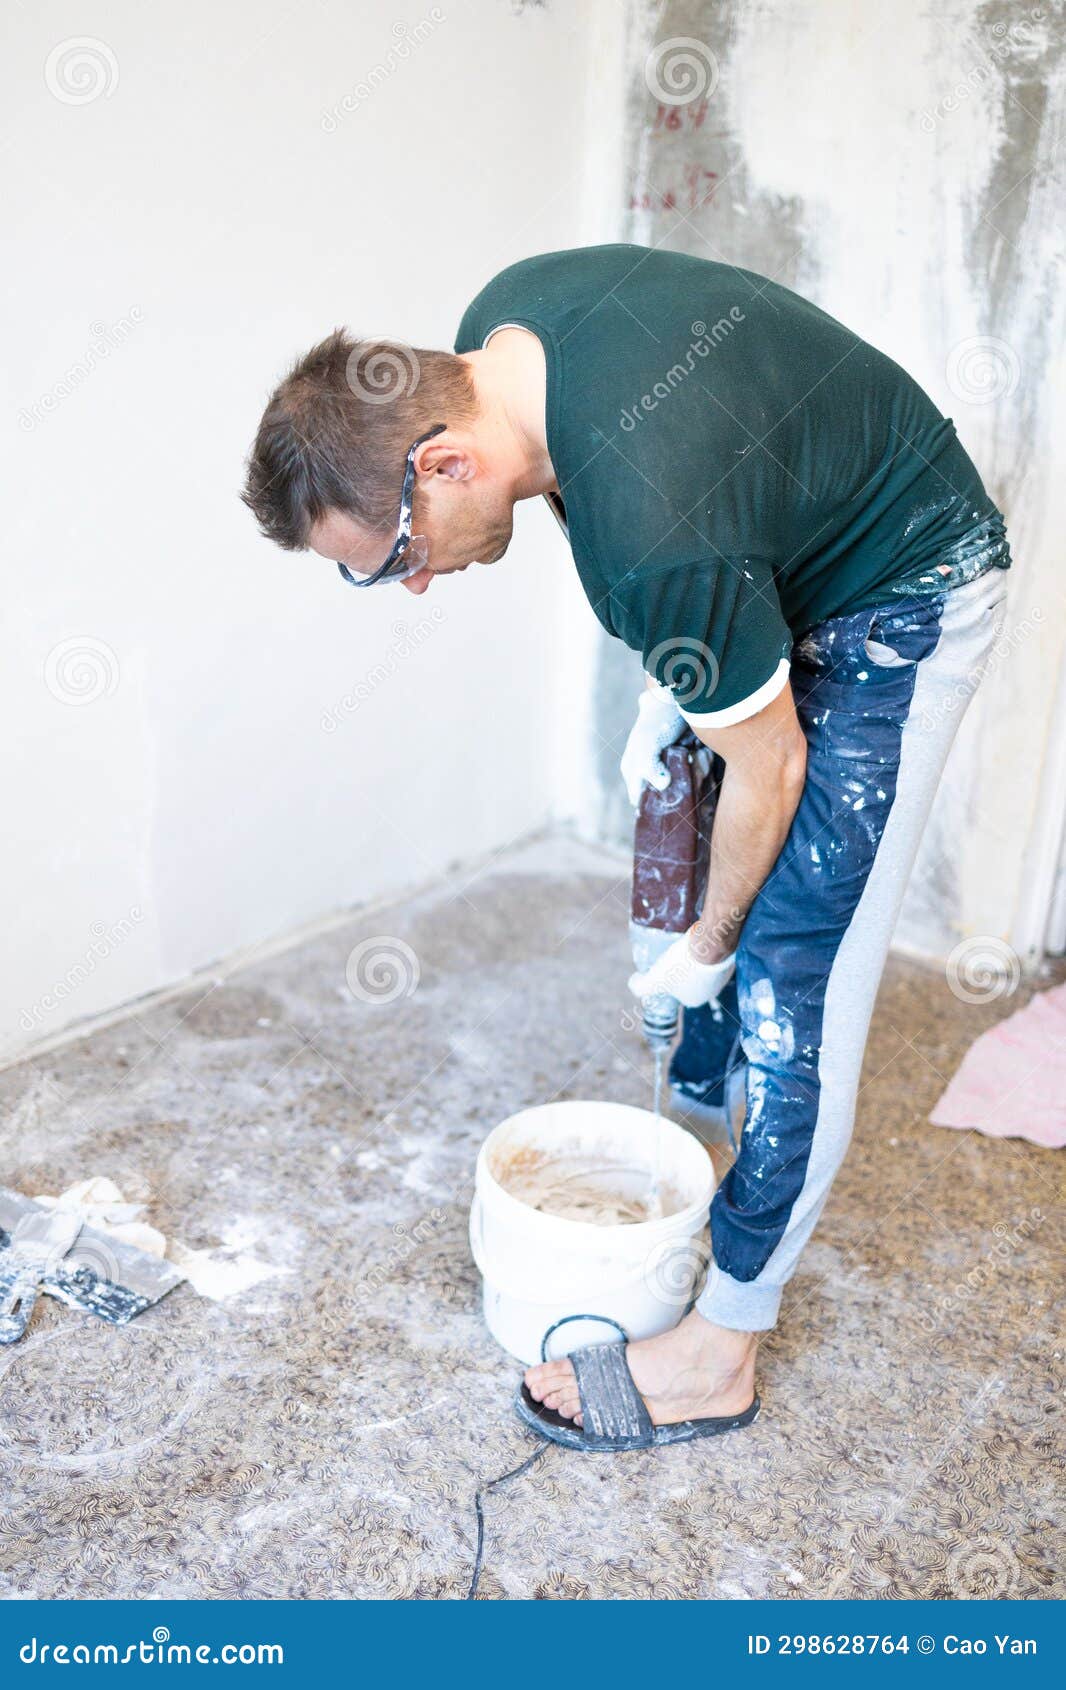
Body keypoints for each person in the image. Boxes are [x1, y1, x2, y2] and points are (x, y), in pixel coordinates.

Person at [242, 245, 1010, 1451]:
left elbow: (773, 762)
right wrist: (681, 681)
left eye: (394, 558)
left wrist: (709, 942)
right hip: (772, 550)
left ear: (442, 462)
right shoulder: (500, 332)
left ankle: (720, 1348)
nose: (414, 586)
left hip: (905, 578)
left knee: (795, 968)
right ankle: (695, 1140)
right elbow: (663, 482)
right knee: (701, 818)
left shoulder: (655, 534)